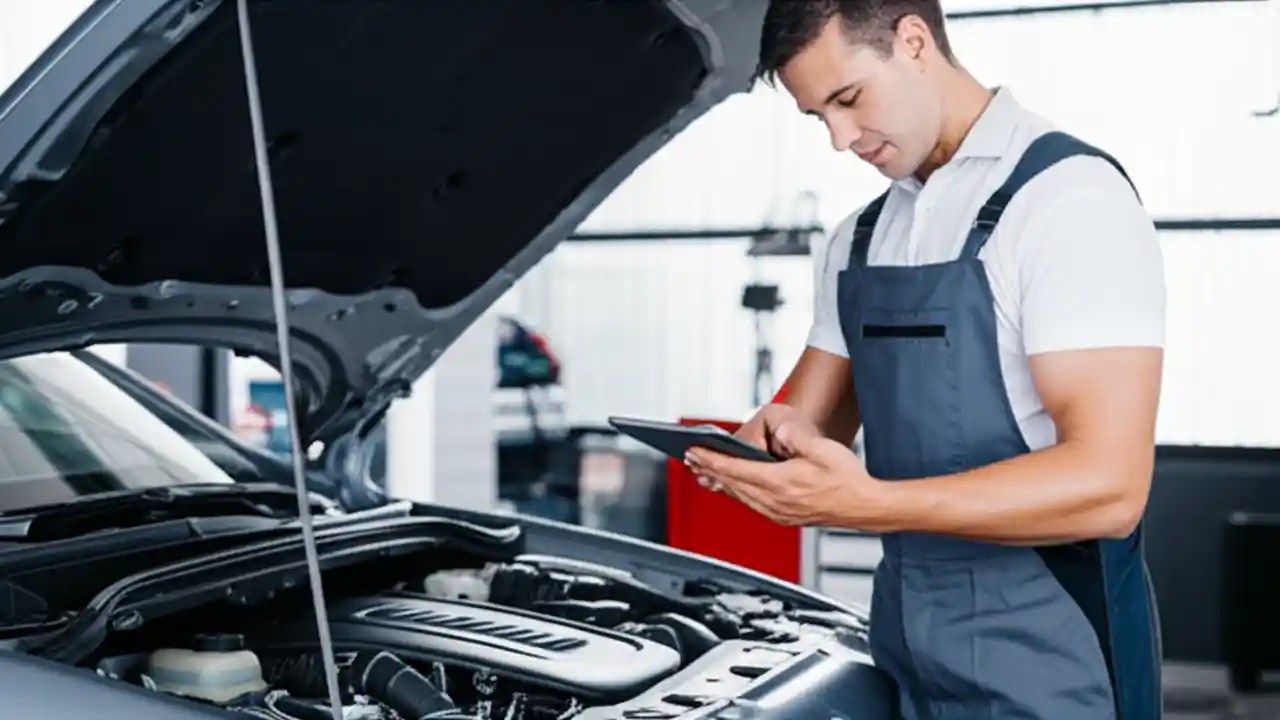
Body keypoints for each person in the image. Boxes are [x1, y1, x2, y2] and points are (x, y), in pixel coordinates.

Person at [684, 1, 1166, 718]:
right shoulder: (861, 237)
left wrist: (870, 503)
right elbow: (801, 422)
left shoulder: (1068, 200)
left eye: (847, 99)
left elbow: (1110, 486)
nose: (841, 140)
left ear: (913, 40)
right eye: (819, 116)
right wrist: (752, 456)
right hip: (908, 649)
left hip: (1055, 658)